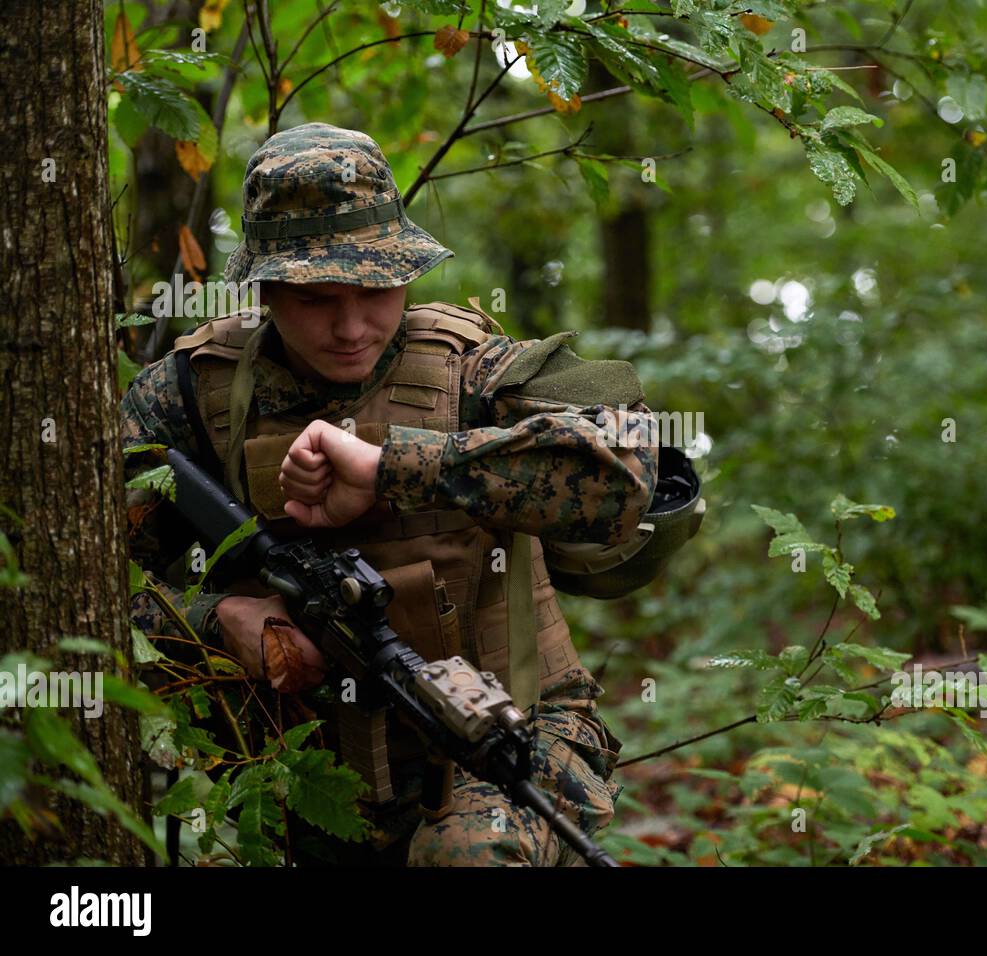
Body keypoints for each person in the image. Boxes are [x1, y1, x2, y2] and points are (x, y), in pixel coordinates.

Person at [122, 122, 670, 866]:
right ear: (265, 288)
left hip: (504, 737)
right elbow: (69, 582)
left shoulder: (474, 369)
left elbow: (631, 472)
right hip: (288, 758)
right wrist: (213, 617)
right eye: (318, 297)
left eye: (376, 289)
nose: (352, 327)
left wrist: (395, 467)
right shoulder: (188, 394)